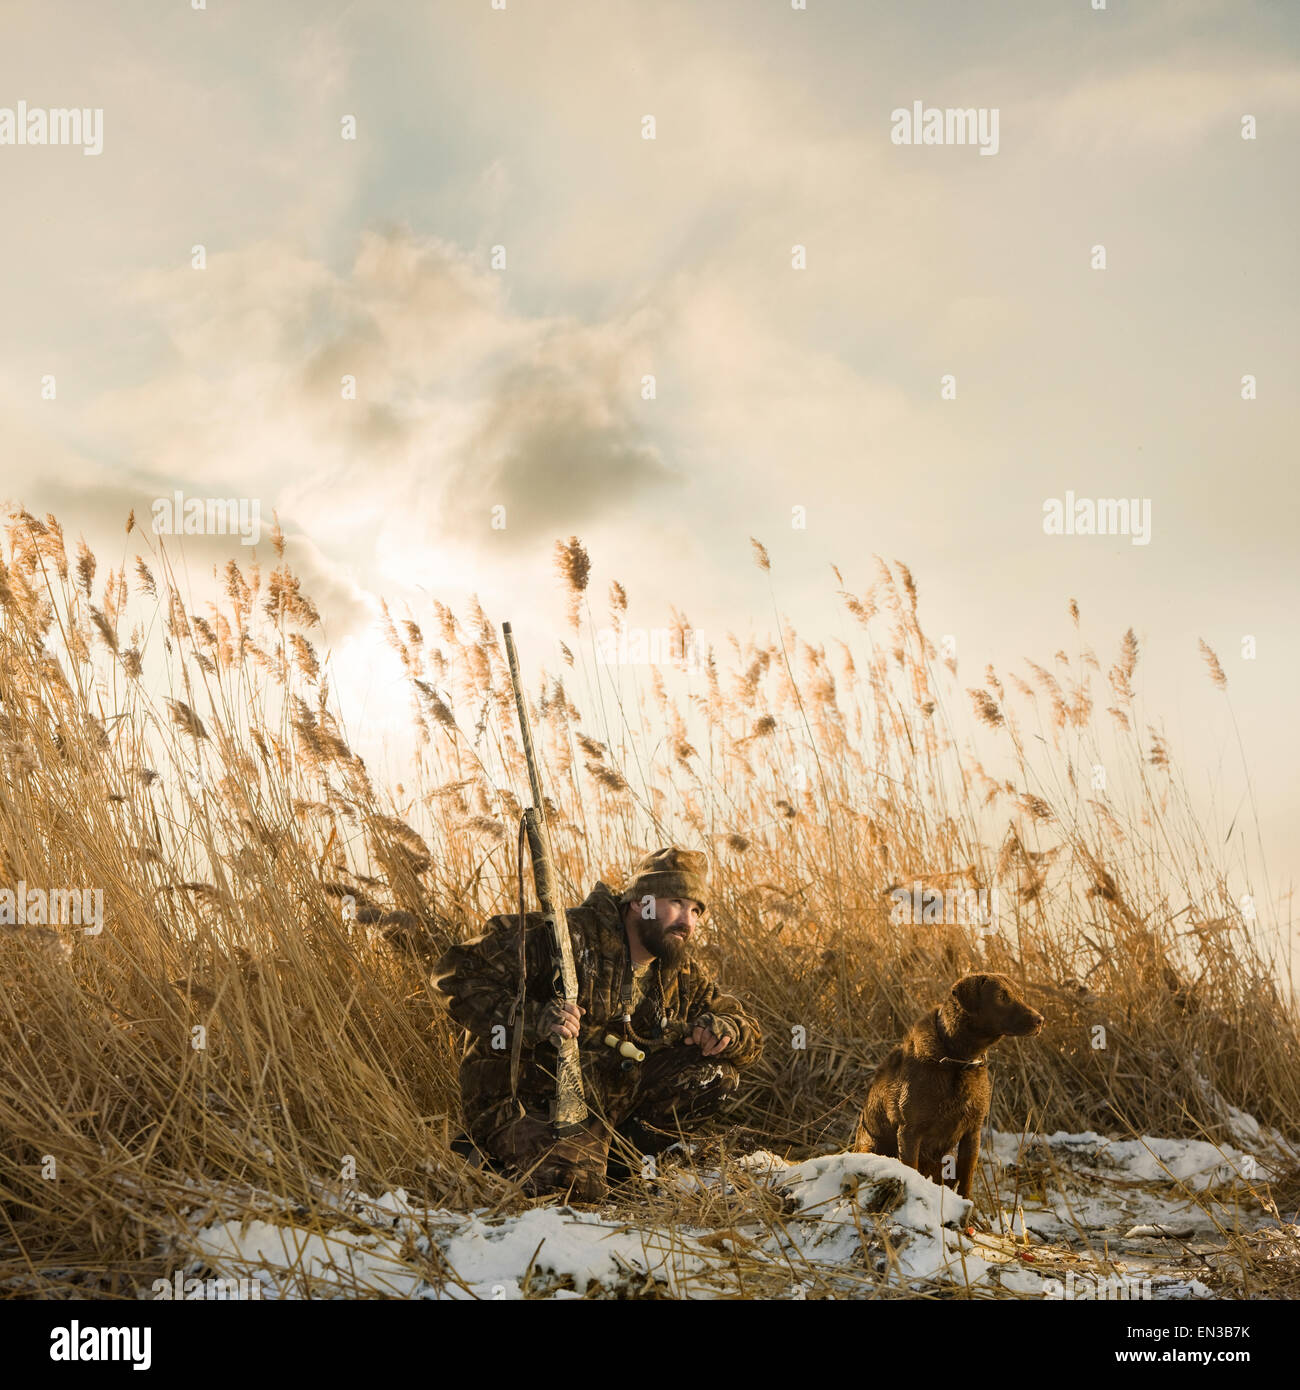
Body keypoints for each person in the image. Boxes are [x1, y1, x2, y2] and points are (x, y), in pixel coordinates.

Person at [432, 847, 762, 1202]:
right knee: (572, 1191)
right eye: (677, 902)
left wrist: (725, 1029)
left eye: (696, 910)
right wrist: (534, 1019)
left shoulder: (676, 971)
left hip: (605, 1108)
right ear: (639, 902)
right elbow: (453, 974)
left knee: (716, 1074)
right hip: (527, 1101)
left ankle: (622, 1165)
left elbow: (744, 1026)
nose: (688, 920)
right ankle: (488, 1156)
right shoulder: (565, 936)